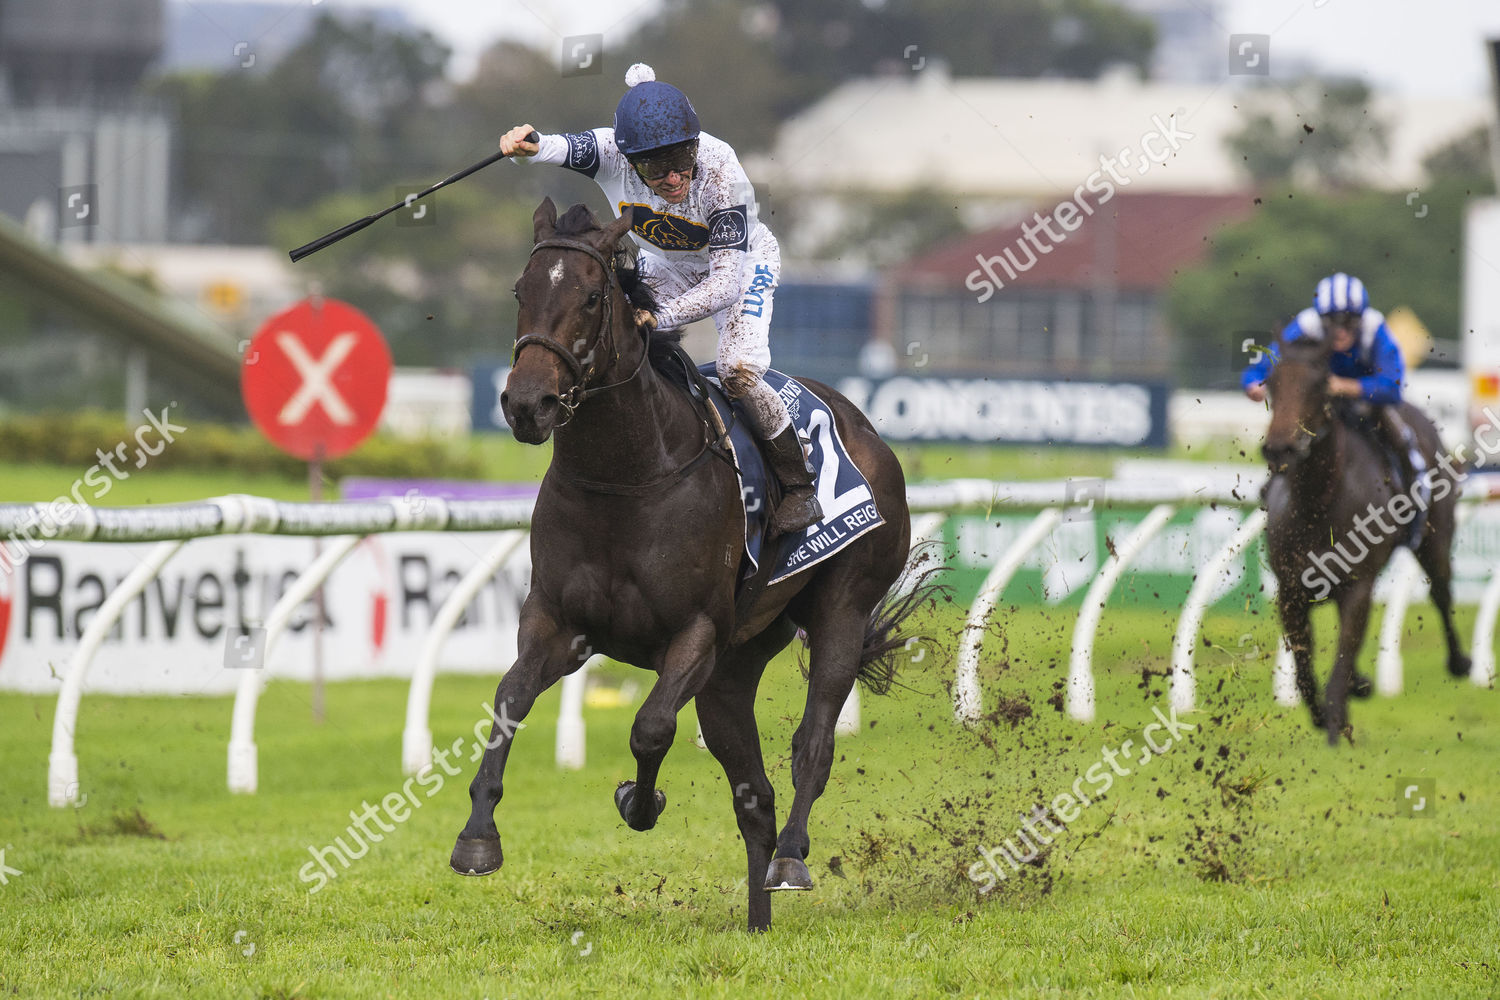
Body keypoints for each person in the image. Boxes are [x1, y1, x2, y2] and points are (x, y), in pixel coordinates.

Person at [498, 63, 822, 536]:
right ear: (628, 158)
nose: (673, 177)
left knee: (736, 369)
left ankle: (797, 485)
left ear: (696, 143)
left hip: (739, 264)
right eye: (655, 166)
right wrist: (522, 147)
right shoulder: (609, 150)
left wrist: (658, 315)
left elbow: (726, 285)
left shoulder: (720, 172)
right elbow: (549, 146)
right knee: (622, 352)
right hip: (664, 262)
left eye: (682, 158)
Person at [1242, 272, 1427, 501]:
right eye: (1331, 323)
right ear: (1321, 319)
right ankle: (1275, 485)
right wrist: (1253, 384)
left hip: (1368, 404)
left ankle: (1415, 489)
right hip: (1320, 403)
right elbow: (1262, 366)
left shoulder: (1375, 330)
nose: (1339, 331)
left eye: (1348, 322)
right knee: (1288, 432)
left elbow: (1392, 387)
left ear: (1360, 318)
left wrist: (1346, 387)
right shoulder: (1306, 325)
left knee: (1401, 437)